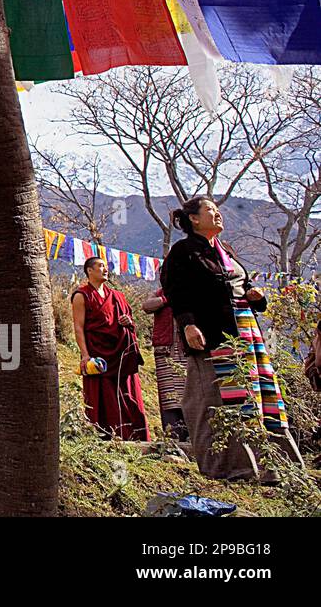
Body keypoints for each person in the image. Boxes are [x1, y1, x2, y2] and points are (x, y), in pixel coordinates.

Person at [161, 196, 302, 482]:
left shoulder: (225, 250)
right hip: (212, 334)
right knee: (216, 398)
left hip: (245, 331)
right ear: (194, 219)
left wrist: (255, 295)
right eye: (210, 211)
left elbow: (243, 283)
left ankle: (274, 468)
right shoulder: (183, 251)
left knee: (257, 396)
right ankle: (229, 469)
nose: (218, 215)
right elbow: (176, 292)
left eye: (217, 210)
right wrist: (188, 325)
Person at [71, 257, 149, 441]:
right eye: (100, 266)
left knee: (128, 394)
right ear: (89, 270)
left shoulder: (117, 296)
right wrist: (85, 355)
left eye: (106, 266)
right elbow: (78, 327)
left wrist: (128, 323)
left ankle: (134, 435)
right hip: (99, 356)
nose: (105, 269)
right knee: (101, 397)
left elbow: (129, 322)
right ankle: (104, 436)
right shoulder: (81, 296)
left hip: (120, 353)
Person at [141, 285, 188, 441]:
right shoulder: (160, 293)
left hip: (189, 350)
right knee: (169, 397)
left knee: (191, 395)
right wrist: (167, 298)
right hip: (165, 350)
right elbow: (146, 306)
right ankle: (173, 437)